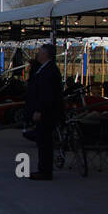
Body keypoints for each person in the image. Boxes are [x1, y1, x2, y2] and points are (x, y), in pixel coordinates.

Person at [24, 42, 64, 180]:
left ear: (46, 54)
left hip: (47, 113)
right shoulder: (45, 68)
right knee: (42, 142)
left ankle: (45, 171)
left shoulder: (49, 70)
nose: (38, 54)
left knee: (45, 142)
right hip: (45, 110)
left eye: (40, 52)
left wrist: (39, 110)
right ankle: (43, 168)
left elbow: (47, 94)